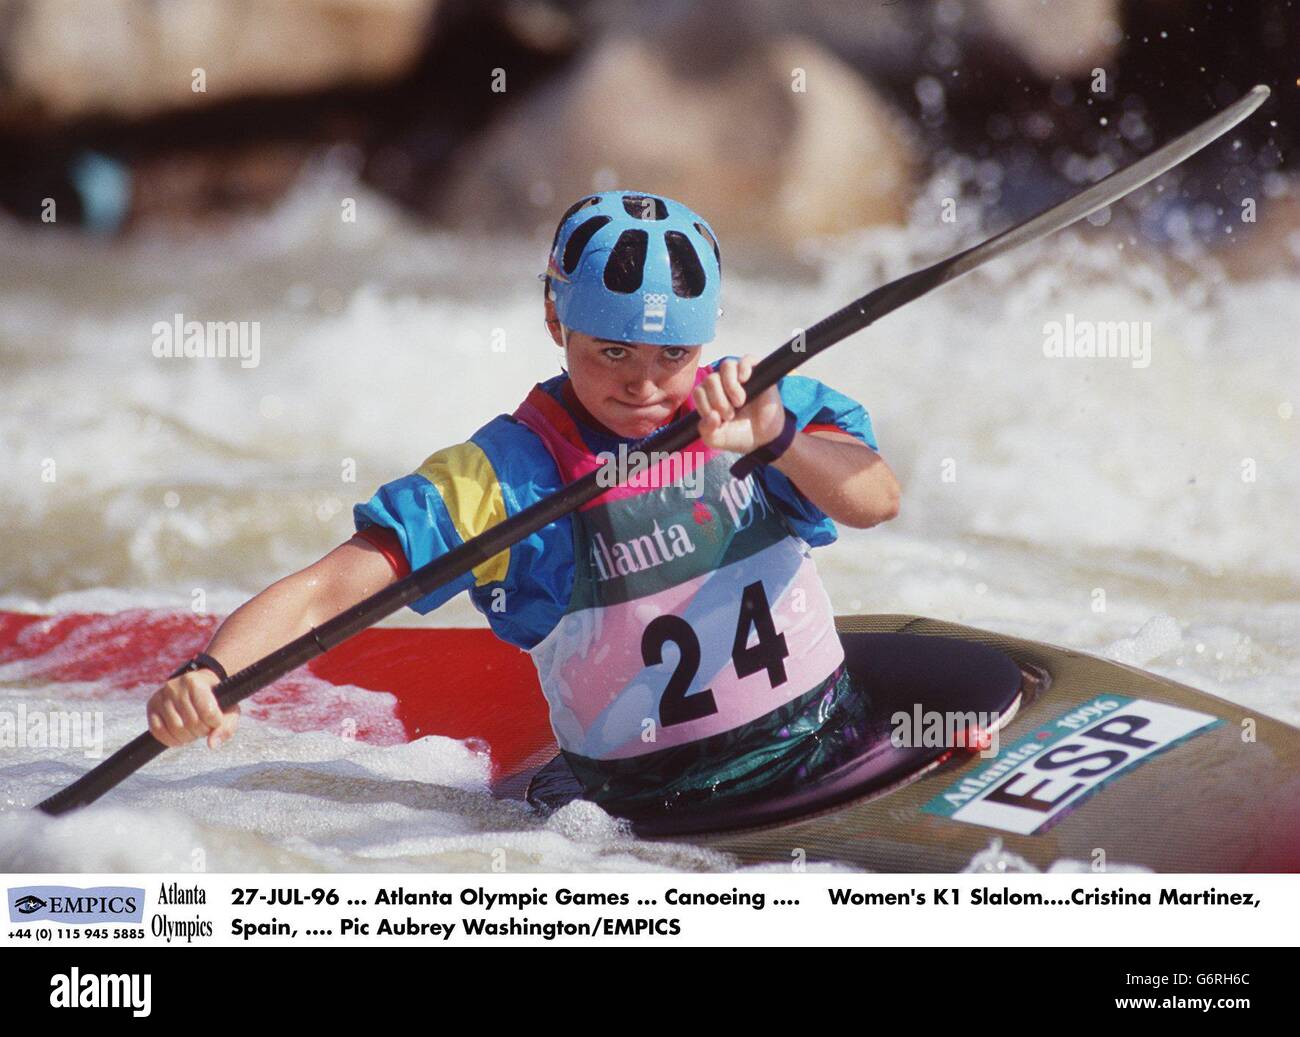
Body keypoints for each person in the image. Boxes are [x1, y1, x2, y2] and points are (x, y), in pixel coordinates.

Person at [146, 190, 901, 816]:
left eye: (673, 354)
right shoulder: (499, 481)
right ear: (555, 321)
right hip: (647, 808)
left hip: (831, 740)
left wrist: (777, 438)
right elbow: (324, 593)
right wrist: (211, 674)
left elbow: (878, 499)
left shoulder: (754, 405)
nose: (644, 385)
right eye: (612, 351)